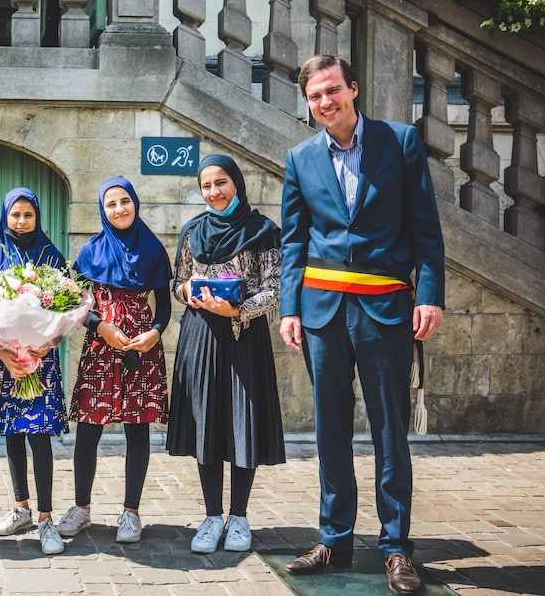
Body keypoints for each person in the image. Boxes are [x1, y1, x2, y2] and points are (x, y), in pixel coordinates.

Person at [278, 55, 444, 596]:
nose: (325, 102)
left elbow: (426, 226)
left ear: (353, 88)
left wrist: (430, 295)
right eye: (314, 97)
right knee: (330, 428)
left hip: (385, 308)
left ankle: (396, 547)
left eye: (332, 91)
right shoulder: (300, 158)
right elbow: (294, 241)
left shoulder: (399, 143)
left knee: (389, 430)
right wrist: (288, 307)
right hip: (323, 311)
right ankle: (334, 538)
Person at [166, 154, 286, 554]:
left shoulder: (263, 231)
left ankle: (239, 517)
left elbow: (275, 289)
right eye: (206, 185)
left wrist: (238, 308)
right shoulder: (192, 231)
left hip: (244, 338)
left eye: (221, 183)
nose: (214, 192)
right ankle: (212, 516)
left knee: (241, 424)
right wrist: (188, 292)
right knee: (207, 424)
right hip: (200, 338)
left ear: (236, 183)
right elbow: (177, 281)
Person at [58, 176, 172, 545]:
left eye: (125, 201)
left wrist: (154, 332)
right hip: (100, 349)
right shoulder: (90, 252)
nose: (120, 209)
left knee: (137, 431)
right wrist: (100, 326)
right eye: (111, 204)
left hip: (141, 351)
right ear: (102, 211)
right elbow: (70, 299)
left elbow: (165, 306)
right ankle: (82, 508)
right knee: (88, 431)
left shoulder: (153, 250)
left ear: (135, 204)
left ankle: (131, 512)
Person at [0, 188, 69, 555]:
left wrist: (44, 345)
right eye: (15, 215)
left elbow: (65, 309)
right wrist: (5, 351)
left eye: (28, 215)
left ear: (37, 217)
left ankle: (46, 519)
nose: (21, 221)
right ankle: (21, 509)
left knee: (40, 435)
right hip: (6, 362)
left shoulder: (50, 255)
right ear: (6, 217)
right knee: (13, 435)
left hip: (41, 359)